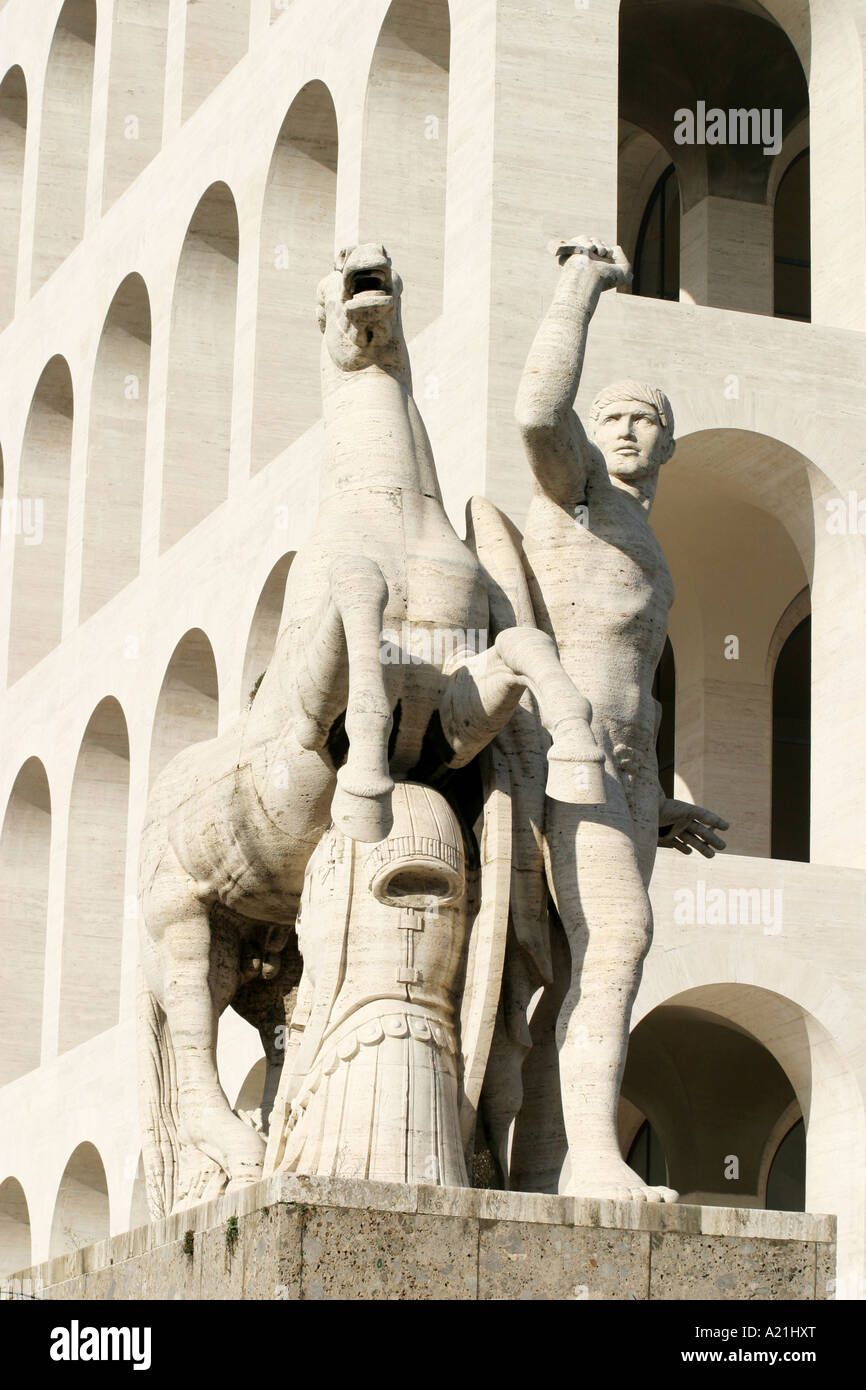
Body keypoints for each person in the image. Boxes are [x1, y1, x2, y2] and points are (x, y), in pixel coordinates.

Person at [514, 236, 729, 1200]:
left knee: (585, 962)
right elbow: (535, 411)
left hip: (632, 779)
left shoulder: (647, 536)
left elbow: (640, 677)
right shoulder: (582, 496)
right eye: (614, 418)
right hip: (572, 760)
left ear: (671, 442)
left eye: (647, 419)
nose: (629, 431)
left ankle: (551, 1158)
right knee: (619, 939)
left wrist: (671, 804)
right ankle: (596, 1159)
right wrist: (580, 289)